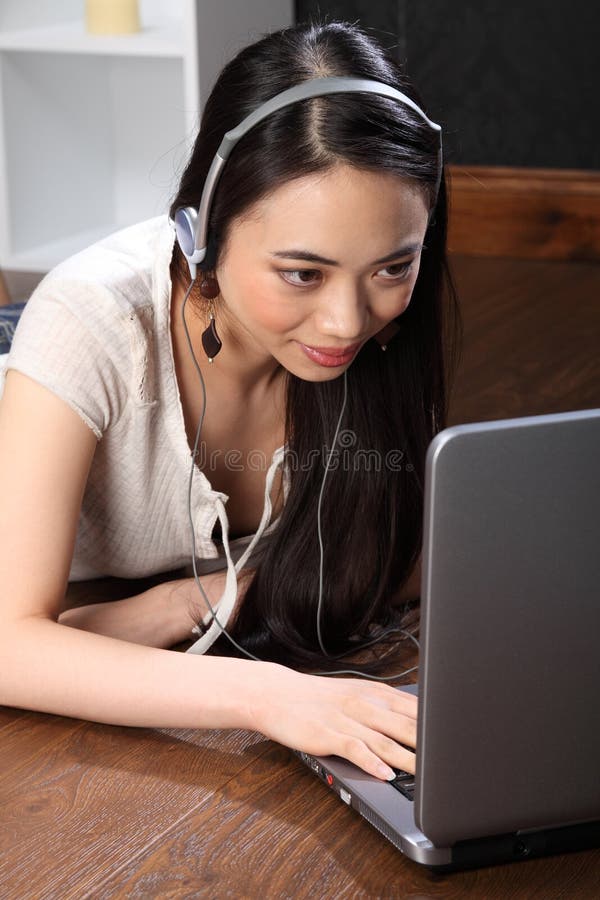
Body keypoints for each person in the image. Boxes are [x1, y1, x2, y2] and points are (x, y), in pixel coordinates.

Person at [0, 22, 459, 782]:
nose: (347, 321)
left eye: (391, 266)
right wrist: (270, 696)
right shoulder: (89, 322)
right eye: (302, 274)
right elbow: (10, 645)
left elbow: (403, 547)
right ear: (201, 233)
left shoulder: (377, 319)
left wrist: (200, 599)